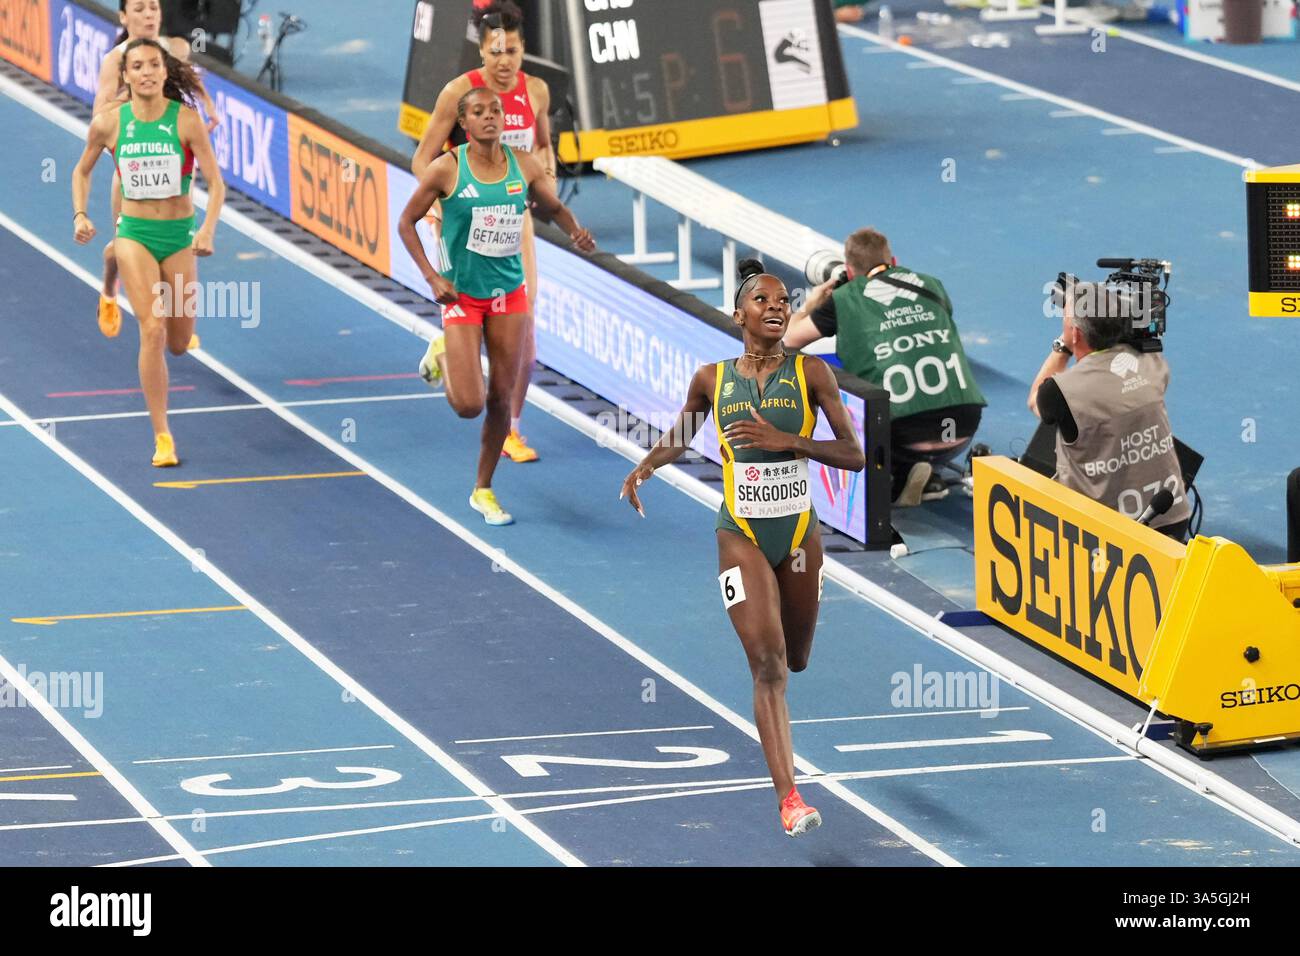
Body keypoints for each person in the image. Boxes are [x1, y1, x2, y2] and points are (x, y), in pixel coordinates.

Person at [620, 259, 866, 837]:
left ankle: (801, 597)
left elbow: (856, 456)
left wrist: (789, 440)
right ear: (740, 315)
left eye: (784, 301)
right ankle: (790, 798)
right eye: (764, 300)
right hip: (742, 531)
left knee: (797, 657)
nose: (777, 307)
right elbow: (684, 429)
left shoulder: (813, 376)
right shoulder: (712, 377)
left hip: (800, 535)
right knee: (769, 663)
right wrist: (645, 467)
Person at [398, 88, 593, 527]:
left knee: (500, 399)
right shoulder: (447, 169)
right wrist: (432, 277)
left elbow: (552, 206)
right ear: (464, 124)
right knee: (468, 405)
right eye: (479, 112)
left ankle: (483, 489)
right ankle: (443, 351)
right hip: (461, 296)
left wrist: (575, 232)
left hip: (509, 294)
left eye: (496, 111)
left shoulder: (523, 165)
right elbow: (406, 222)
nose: (490, 117)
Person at [411, 0, 554, 464]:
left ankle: (511, 427)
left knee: (525, 327)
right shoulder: (459, 92)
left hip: (515, 218)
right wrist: (438, 200)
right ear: (482, 51)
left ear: (522, 49)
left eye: (512, 50)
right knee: (474, 307)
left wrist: (544, 174)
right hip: (462, 217)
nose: (504, 60)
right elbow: (423, 157)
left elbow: (545, 148)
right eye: (495, 51)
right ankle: (452, 347)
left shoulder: (536, 92)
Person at [72, 38, 225, 467]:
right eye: (136, 66)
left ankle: (109, 267)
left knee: (178, 342)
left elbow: (216, 184)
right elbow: (81, 171)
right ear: (126, 75)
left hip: (178, 237)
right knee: (153, 330)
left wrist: (207, 229)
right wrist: (79, 214)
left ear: (163, 70)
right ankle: (163, 436)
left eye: (153, 65)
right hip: (135, 232)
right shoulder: (109, 123)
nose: (146, 72)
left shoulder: (187, 121)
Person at [785, 228, 986, 506]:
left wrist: (810, 306)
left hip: (899, 438)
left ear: (849, 271)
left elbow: (787, 340)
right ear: (893, 261)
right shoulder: (932, 285)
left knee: (822, 382)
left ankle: (900, 472)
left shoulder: (845, 299)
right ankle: (926, 472)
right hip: (964, 426)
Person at [1027, 279, 1191, 539]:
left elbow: (1035, 400)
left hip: (1105, 532)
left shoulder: (1060, 392)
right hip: (1172, 516)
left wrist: (1062, 346)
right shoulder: (1152, 360)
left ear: (1076, 333)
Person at [93, 0, 217, 339]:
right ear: (123, 17)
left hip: (171, 165)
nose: (148, 15)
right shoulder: (115, 61)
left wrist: (208, 106)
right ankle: (108, 290)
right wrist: (137, 100)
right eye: (139, 9)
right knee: (124, 245)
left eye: (153, 8)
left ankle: (178, 318)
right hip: (132, 170)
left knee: (177, 241)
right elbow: (100, 114)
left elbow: (190, 81)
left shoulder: (174, 48)